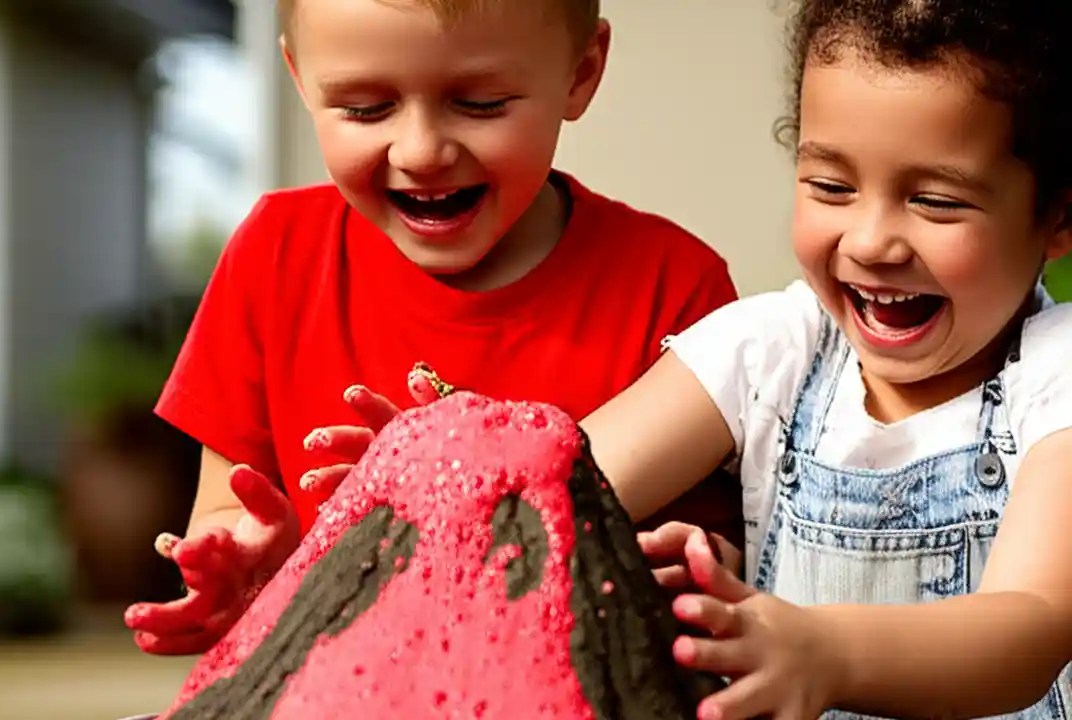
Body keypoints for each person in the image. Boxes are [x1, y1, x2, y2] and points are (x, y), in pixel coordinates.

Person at [313, 1, 1072, 717]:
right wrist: (453, 479)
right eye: (831, 187)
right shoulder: (770, 348)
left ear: (1057, 215)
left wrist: (827, 651)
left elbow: (1032, 628)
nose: (871, 242)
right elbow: (568, 478)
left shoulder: (1057, 371)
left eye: (937, 201)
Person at [122, 0, 742, 658]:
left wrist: (651, 580)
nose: (421, 152)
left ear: (581, 72)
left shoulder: (673, 288)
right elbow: (224, 513)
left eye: (480, 103)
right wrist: (250, 574)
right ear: (301, 78)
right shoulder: (274, 258)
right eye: (365, 108)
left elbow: (720, 563)